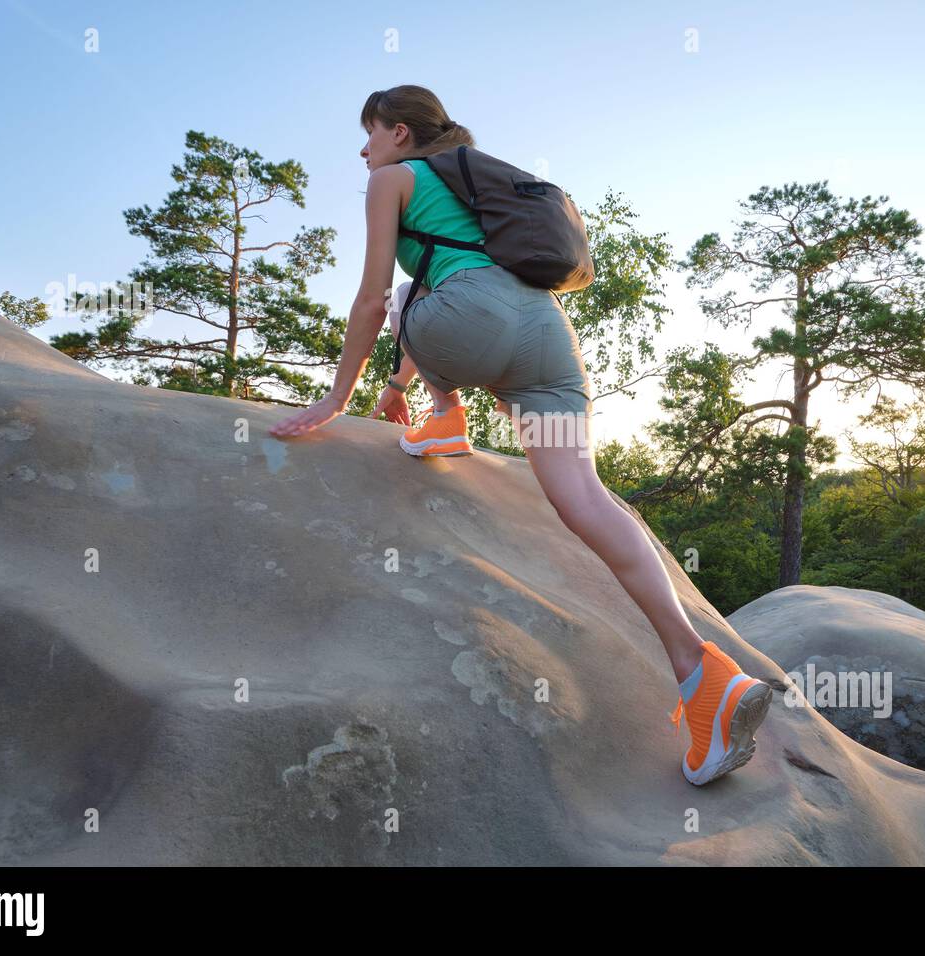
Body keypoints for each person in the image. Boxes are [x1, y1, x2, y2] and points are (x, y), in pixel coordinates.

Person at [269, 85, 771, 785]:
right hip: (546, 338)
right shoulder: (472, 185)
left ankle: (443, 416)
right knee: (584, 499)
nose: (364, 148)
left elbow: (373, 296)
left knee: (412, 292)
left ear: (402, 135)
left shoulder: (390, 180)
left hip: (464, 320)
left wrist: (342, 394)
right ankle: (701, 673)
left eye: (372, 132)